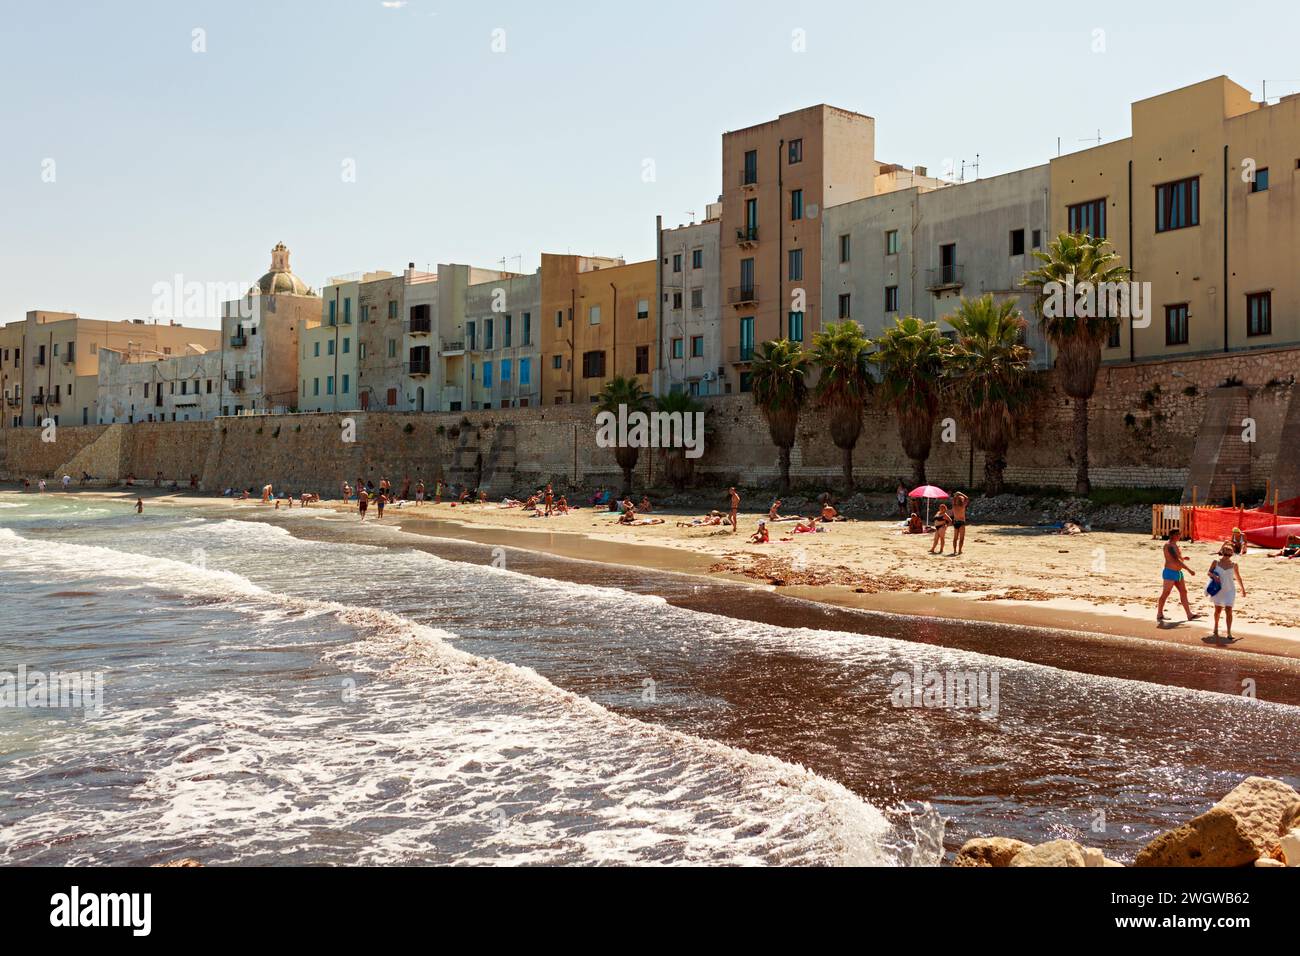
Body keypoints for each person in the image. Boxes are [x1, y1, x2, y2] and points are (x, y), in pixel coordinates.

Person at [1157, 528, 1200, 623]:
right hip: (1170, 572)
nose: (1179, 536)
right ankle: (1159, 614)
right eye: (1177, 534)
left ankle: (1189, 614)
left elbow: (1177, 558)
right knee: (1166, 593)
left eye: (1179, 534)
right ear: (1172, 535)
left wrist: (1183, 557)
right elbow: (1175, 560)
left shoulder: (1175, 545)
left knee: (1184, 591)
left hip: (1178, 573)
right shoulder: (1168, 545)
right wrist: (1189, 569)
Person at [1208, 543, 1247, 641]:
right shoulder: (1215, 562)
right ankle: (1216, 626)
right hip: (1218, 590)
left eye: (1229, 555)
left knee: (1229, 610)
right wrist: (1214, 576)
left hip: (1230, 590)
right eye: (1226, 554)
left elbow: (1238, 577)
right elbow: (1209, 572)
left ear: (1232, 555)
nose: (1227, 557)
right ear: (1222, 553)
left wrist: (1243, 589)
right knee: (1218, 610)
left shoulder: (1234, 565)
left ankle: (1229, 632)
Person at [951, 491, 970, 556]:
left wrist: (956, 495)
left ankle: (954, 551)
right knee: (961, 538)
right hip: (961, 522)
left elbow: (953, 499)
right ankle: (959, 551)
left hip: (955, 522)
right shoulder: (963, 506)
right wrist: (960, 493)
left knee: (955, 538)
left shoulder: (954, 506)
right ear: (962, 501)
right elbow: (967, 498)